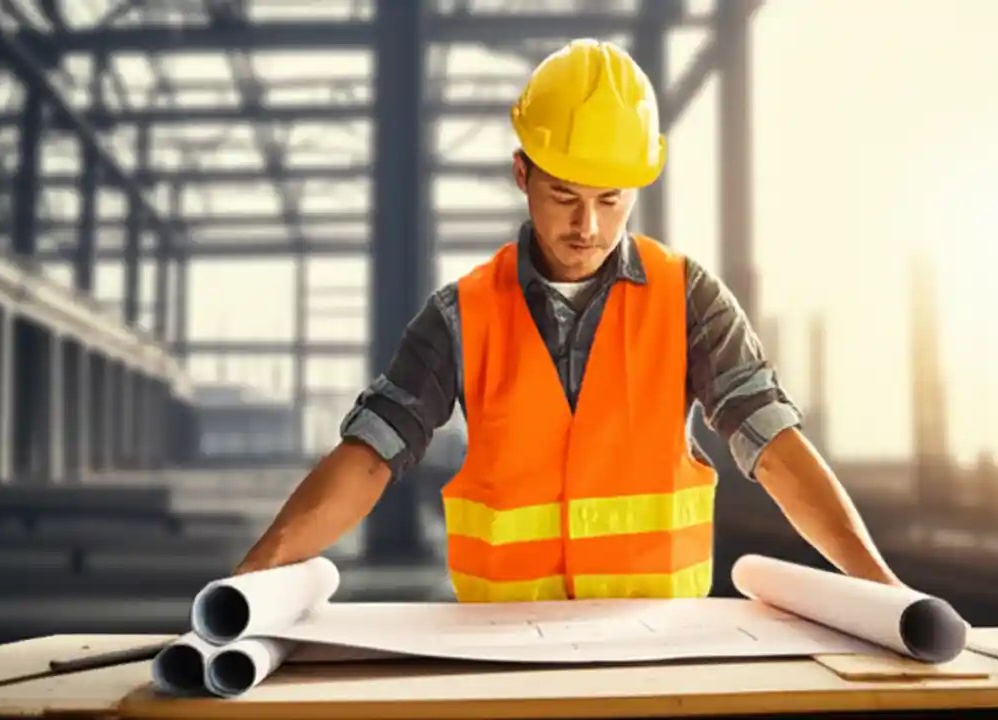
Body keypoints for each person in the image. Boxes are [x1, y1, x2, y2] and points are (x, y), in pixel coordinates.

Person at [233, 39, 904, 599]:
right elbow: (369, 458)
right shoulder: (460, 315)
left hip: (656, 653)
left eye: (611, 201)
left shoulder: (688, 298)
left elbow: (774, 446)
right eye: (564, 196)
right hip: (502, 654)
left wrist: (886, 596)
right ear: (522, 174)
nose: (588, 227)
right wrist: (246, 584)